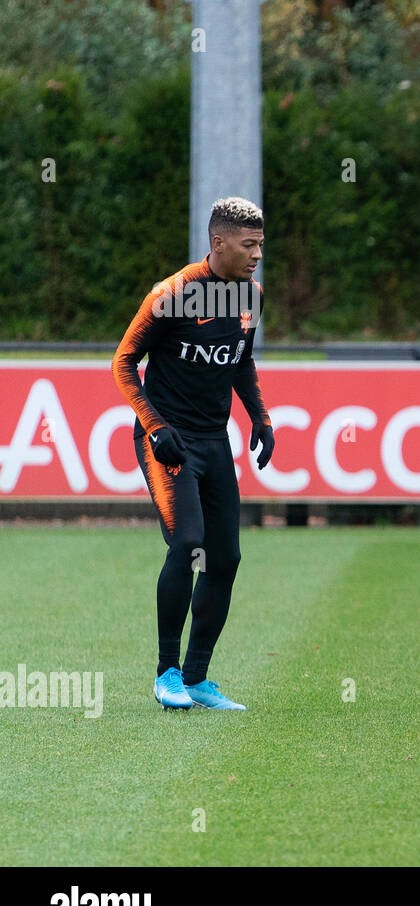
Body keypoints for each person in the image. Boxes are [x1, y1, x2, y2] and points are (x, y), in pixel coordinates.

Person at [112, 197, 274, 710]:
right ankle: (167, 674)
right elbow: (123, 362)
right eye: (248, 245)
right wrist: (154, 425)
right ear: (218, 243)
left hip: (213, 441)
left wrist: (261, 419)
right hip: (168, 442)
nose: (256, 256)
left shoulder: (250, 296)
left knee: (225, 557)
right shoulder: (174, 294)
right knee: (187, 544)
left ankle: (199, 680)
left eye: (261, 246)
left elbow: (240, 362)